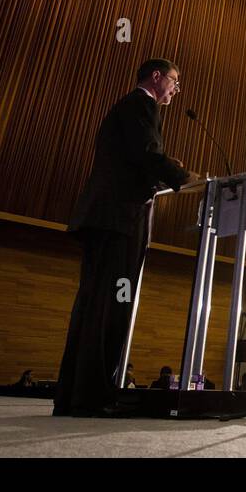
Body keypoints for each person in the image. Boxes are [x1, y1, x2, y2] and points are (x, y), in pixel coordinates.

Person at [53, 59, 195, 418]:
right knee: (109, 308)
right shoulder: (141, 104)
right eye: (175, 82)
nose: (176, 90)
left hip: (106, 218)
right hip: (119, 220)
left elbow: (134, 161)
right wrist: (183, 176)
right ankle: (93, 398)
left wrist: (162, 170)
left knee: (93, 305)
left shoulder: (129, 108)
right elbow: (147, 155)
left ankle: (74, 395)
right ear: (157, 77)